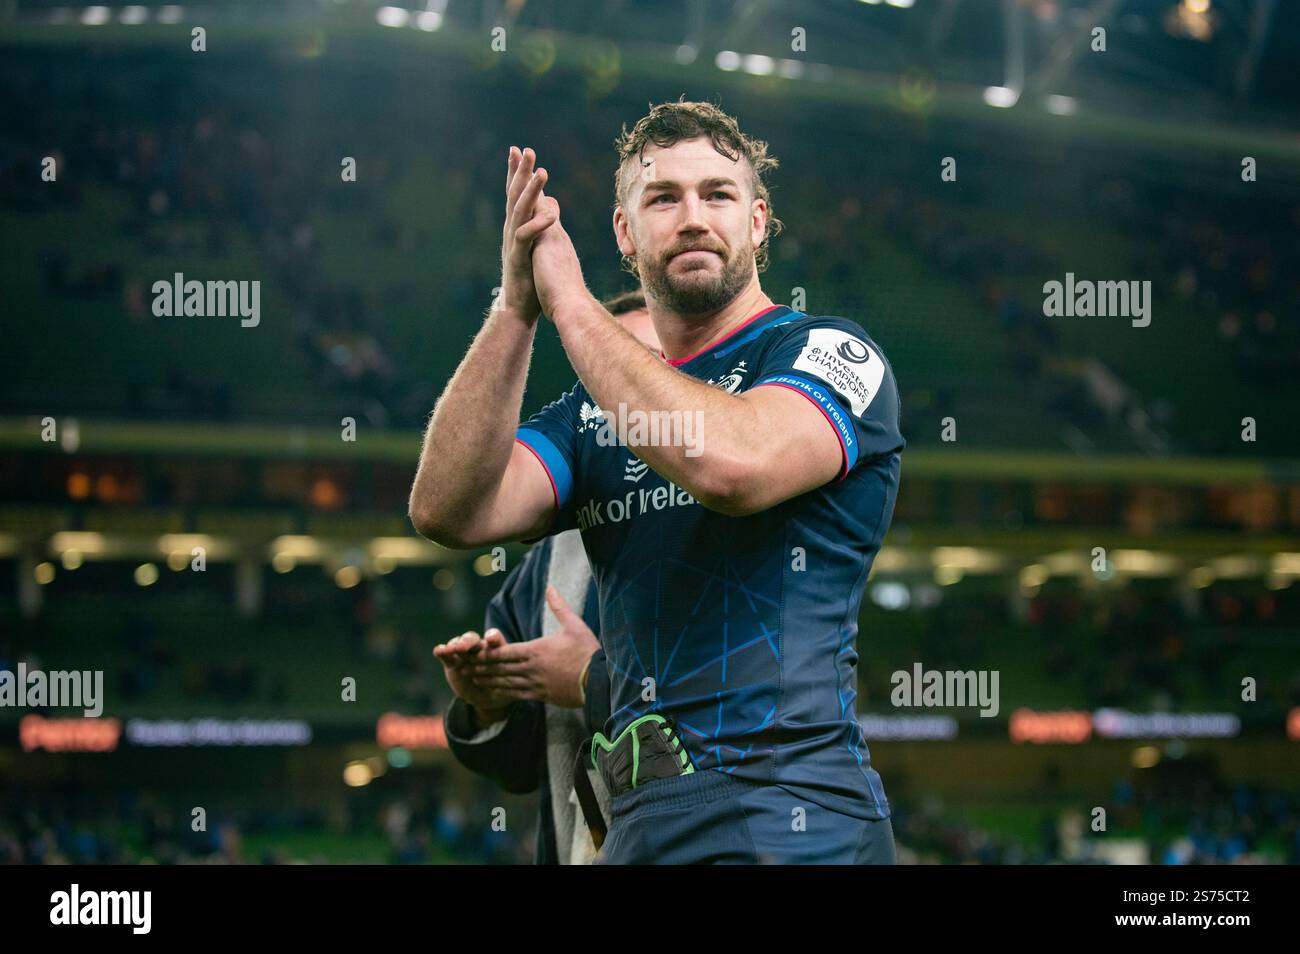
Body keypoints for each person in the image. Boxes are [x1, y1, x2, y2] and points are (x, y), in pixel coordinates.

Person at [411, 100, 903, 864]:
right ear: (624, 232)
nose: (694, 218)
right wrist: (515, 308)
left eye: (718, 194)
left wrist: (570, 301)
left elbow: (732, 466)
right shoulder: (589, 415)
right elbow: (449, 510)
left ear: (759, 222)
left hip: (793, 810)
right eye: (663, 198)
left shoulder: (830, 353)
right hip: (641, 820)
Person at [435, 292, 658, 865]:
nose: (632, 387)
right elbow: (517, 770)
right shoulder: (553, 557)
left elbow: (746, 721)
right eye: (611, 369)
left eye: (654, 362)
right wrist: (490, 705)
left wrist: (592, 680)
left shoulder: (737, 522)